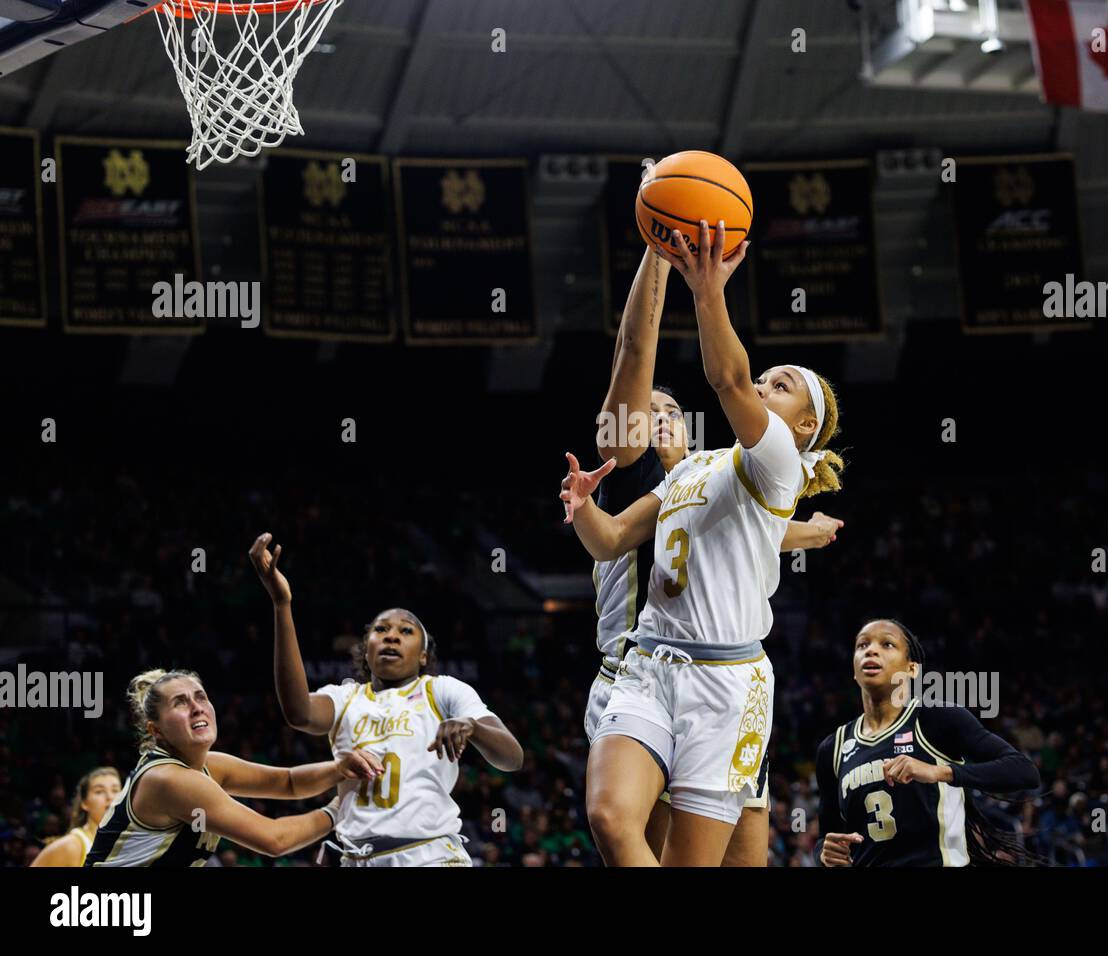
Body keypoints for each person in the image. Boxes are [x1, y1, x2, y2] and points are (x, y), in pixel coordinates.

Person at [562, 220, 845, 866]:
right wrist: (581, 507)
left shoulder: (776, 459)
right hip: (647, 661)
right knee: (608, 817)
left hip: (726, 680)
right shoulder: (694, 468)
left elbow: (729, 381)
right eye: (768, 377)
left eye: (783, 385)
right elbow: (611, 539)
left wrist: (708, 287)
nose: (766, 385)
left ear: (803, 427)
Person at [249, 533, 524, 867]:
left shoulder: (443, 691)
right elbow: (297, 713)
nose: (392, 635)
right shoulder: (345, 697)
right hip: (357, 857)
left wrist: (471, 727)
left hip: (430, 854)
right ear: (366, 648)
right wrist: (282, 605)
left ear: (423, 656)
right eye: (381, 630)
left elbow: (512, 757)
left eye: (406, 631)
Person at [86, 669, 376, 866]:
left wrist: (340, 768)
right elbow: (275, 839)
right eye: (180, 703)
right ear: (156, 730)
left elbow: (289, 783)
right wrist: (341, 806)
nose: (197, 707)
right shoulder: (168, 779)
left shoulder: (209, 765)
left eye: (200, 697)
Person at [815, 619, 1041, 866]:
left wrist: (939, 771)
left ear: (912, 669)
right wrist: (824, 854)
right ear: (854, 670)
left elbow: (1024, 770)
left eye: (887, 644)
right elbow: (827, 836)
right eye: (862, 645)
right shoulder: (833, 748)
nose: (871, 650)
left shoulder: (936, 719)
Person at [30, 767, 121, 867]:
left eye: (115, 790)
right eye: (99, 791)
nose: (110, 797)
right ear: (84, 803)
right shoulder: (72, 846)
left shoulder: (129, 842)